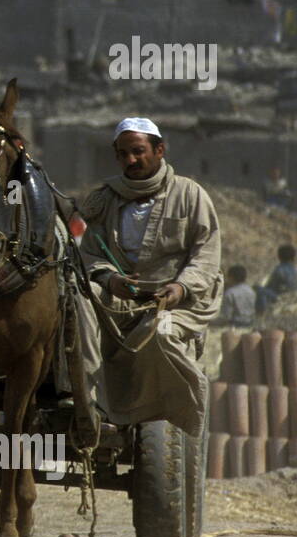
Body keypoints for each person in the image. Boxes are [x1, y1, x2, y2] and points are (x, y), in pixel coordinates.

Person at [75, 117, 222, 436]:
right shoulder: (105, 200)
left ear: (159, 150)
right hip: (119, 299)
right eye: (123, 154)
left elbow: (207, 255)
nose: (131, 160)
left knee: (161, 333)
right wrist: (113, 281)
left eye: (138, 151)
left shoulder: (190, 195)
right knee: (76, 300)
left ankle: (173, 412)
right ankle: (86, 397)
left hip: (177, 304)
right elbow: (90, 256)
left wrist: (180, 288)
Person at [256, 244, 297, 315]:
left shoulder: (279, 269)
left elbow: (272, 286)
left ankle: (261, 313)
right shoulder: (295, 269)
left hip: (281, 296)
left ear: (279, 256)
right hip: (294, 293)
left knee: (259, 290)